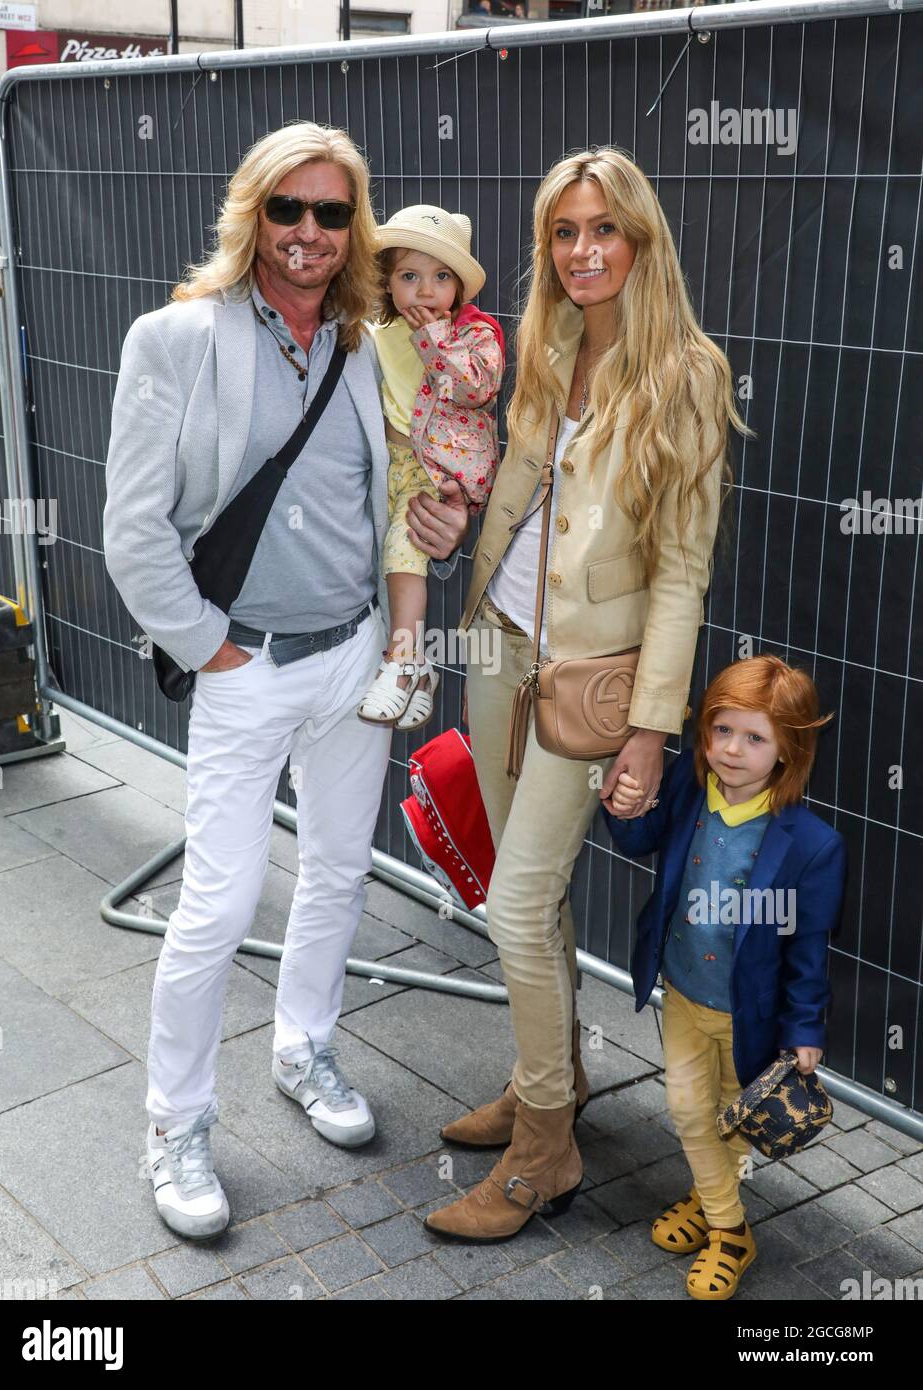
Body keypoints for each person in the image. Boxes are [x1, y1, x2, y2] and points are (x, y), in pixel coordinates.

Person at [102, 120, 468, 1240]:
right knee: (215, 904)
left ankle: (304, 1046)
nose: (309, 232)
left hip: (352, 655)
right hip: (246, 663)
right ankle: (177, 1123)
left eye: (333, 212)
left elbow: (397, 498)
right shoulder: (176, 338)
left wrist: (431, 538)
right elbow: (133, 531)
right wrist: (213, 644)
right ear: (251, 215)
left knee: (339, 871)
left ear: (355, 228)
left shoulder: (369, 347)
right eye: (287, 209)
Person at [425, 144, 752, 1244]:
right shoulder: (545, 345)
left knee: (518, 902)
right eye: (563, 232)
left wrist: (653, 732)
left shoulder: (689, 374)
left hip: (590, 682)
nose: (581, 251)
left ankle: (546, 1148)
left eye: (603, 229)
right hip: (499, 649)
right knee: (536, 901)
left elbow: (683, 570)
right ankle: (540, 1081)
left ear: (641, 239)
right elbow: (520, 495)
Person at [601, 654, 847, 1300]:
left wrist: (802, 1029)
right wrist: (625, 804)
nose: (731, 750)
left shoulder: (810, 844)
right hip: (682, 991)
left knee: (730, 1117)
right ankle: (729, 1230)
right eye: (721, 731)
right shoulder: (686, 782)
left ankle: (706, 1197)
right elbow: (639, 836)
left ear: (787, 752)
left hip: (750, 1014)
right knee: (688, 1109)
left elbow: (806, 950)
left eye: (754, 737)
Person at [357, 205, 505, 732]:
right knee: (387, 560)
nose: (425, 291)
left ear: (460, 288)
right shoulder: (377, 328)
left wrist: (435, 341)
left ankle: (402, 660)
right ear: (388, 282)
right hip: (387, 462)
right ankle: (419, 670)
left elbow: (476, 389)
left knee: (404, 555)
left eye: (441, 277)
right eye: (409, 276)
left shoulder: (474, 334)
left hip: (434, 469)